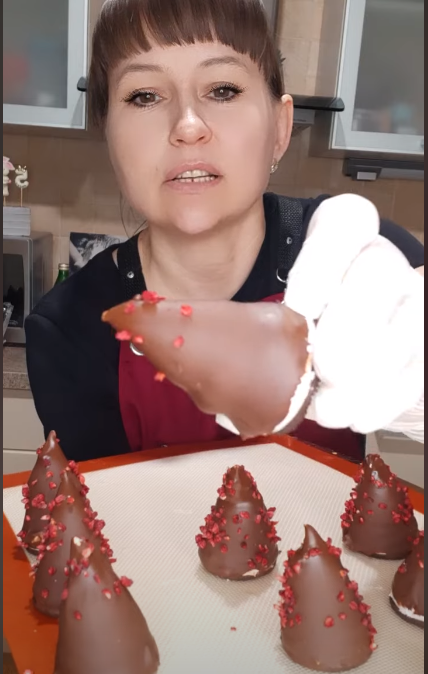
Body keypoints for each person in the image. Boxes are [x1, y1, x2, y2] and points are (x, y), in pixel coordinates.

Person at [25, 0, 424, 463]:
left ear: (280, 127)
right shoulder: (69, 327)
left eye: (223, 90)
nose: (187, 126)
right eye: (145, 96)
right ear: (109, 137)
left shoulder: (359, 258)